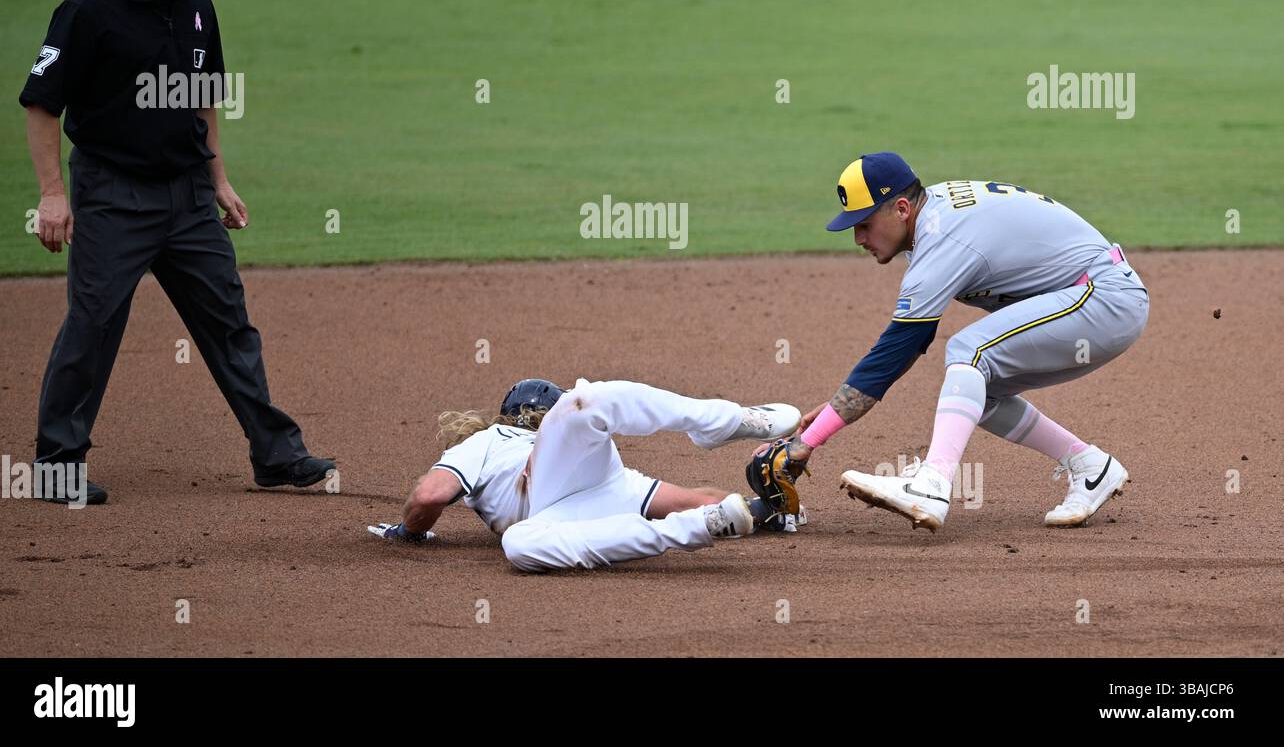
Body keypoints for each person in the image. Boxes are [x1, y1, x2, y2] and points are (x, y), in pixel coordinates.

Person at [19, 0, 334, 504]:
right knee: (94, 323)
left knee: (229, 323)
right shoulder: (88, 9)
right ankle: (57, 464)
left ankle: (275, 454)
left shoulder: (196, 4)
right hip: (112, 194)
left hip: (188, 195)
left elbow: (203, 95)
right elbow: (40, 103)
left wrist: (218, 178)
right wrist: (52, 195)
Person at [761, 152, 1148, 530]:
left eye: (864, 223)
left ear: (900, 209)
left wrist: (809, 440)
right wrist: (829, 413)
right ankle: (1089, 465)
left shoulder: (942, 237)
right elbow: (909, 345)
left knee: (968, 351)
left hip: (1102, 297)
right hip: (1099, 299)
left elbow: (891, 356)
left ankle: (933, 482)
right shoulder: (932, 220)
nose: (858, 238)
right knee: (977, 388)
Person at [368, 378, 804, 571]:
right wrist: (767, 508)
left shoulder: (489, 439)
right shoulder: (601, 470)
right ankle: (701, 520)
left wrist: (407, 533)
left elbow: (429, 496)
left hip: (563, 497)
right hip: (579, 497)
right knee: (518, 545)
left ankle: (726, 423)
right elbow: (694, 498)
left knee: (518, 545)